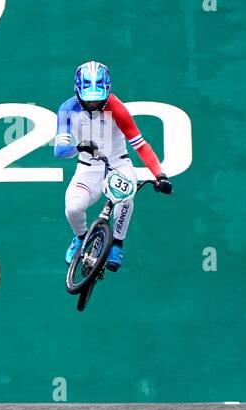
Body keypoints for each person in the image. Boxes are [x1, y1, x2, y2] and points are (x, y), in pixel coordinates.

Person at [54, 61, 172, 270]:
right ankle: (80, 238)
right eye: (87, 100)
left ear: (107, 92)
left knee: (126, 199)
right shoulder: (66, 109)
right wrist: (79, 147)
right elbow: (59, 151)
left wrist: (160, 175)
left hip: (119, 164)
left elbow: (140, 145)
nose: (92, 105)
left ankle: (117, 243)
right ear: (77, 91)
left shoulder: (116, 107)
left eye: (98, 100)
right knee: (73, 208)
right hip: (87, 169)